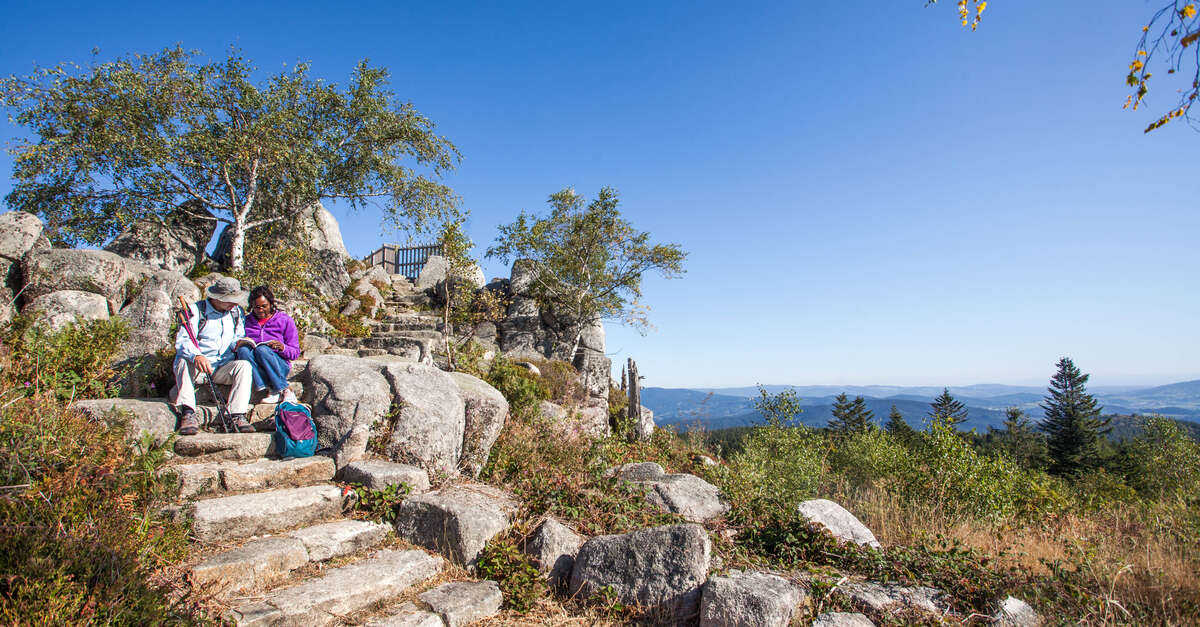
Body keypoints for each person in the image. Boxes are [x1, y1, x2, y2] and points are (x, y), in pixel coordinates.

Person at [172, 277, 255, 435]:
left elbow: (236, 336)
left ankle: (237, 415)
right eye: (229, 301)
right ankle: (188, 413)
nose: (234, 304)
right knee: (183, 359)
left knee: (244, 366)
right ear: (216, 297)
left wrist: (239, 343)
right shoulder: (196, 311)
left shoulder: (236, 313)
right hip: (198, 367)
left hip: (221, 366)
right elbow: (183, 341)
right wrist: (196, 355)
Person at [236, 285, 301, 404]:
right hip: (256, 365)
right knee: (243, 350)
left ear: (271, 304)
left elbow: (295, 352)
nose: (260, 310)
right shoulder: (247, 321)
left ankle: (282, 388)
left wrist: (282, 348)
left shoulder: (284, 320)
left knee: (262, 350)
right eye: (257, 307)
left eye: (264, 306)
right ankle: (271, 388)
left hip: (278, 364)